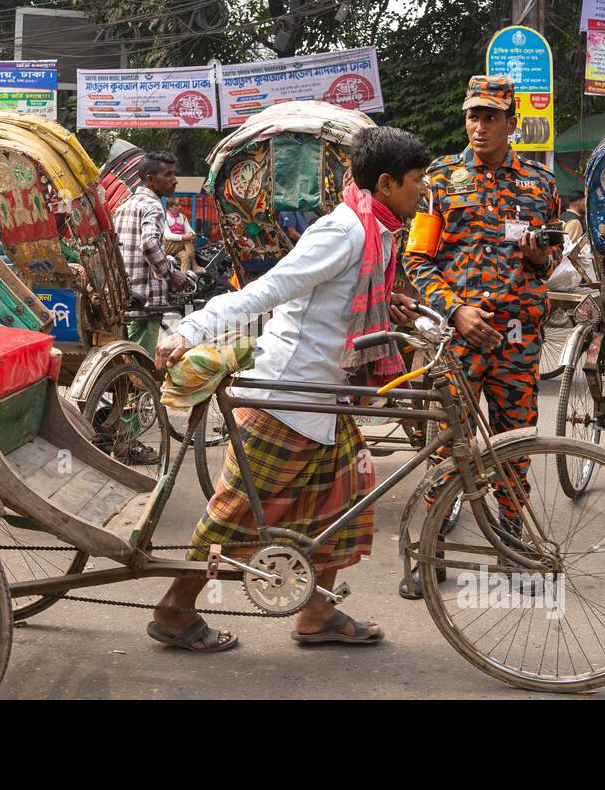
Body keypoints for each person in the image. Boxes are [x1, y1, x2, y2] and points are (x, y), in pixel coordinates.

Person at [148, 126, 432, 651]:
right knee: (236, 515)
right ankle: (175, 609)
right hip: (286, 394)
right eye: (417, 181)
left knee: (339, 500)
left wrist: (389, 304)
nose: (423, 190)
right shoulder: (345, 230)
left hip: (325, 394)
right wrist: (189, 329)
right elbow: (270, 288)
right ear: (388, 183)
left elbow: (347, 295)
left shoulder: (379, 227)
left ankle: (317, 613)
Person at [400, 75, 562, 599]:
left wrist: (542, 257)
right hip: (460, 339)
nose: (479, 126)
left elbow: (549, 260)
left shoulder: (539, 185)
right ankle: (431, 550)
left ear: (512, 124)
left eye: (491, 117)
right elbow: (418, 259)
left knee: (516, 443)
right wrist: (458, 310)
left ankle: (512, 538)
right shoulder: (440, 181)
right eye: (473, 116)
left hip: (517, 339)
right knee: (448, 445)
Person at [113, 150, 192, 356]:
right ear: (150, 179)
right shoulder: (154, 207)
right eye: (168, 175)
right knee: (142, 361)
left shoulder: (124, 206)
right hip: (146, 299)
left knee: (127, 354)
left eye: (174, 175)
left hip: (125, 295)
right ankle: (140, 388)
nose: (174, 181)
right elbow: (149, 243)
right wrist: (171, 273)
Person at [163, 199, 201, 274]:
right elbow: (168, 236)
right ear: (170, 207)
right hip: (168, 246)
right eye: (177, 205)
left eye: (180, 205)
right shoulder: (165, 217)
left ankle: (184, 278)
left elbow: (189, 229)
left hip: (180, 247)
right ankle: (194, 264)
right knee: (186, 240)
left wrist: (192, 234)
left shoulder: (183, 217)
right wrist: (184, 237)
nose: (180, 207)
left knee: (186, 256)